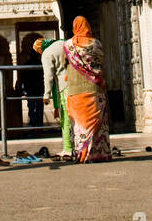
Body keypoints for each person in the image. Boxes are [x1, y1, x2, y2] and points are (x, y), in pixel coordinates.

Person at [63, 16, 111, 163]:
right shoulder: (96, 44)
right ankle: (99, 153)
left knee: (79, 123)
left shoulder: (68, 45)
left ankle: (82, 153)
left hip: (75, 89)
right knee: (97, 121)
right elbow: (101, 60)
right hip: (94, 87)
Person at [36, 35, 72, 157]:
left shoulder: (47, 53)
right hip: (79, 83)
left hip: (65, 86)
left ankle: (68, 148)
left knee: (66, 118)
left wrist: (46, 94)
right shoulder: (65, 43)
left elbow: (48, 76)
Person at [16, 34, 45, 128]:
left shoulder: (26, 65)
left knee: (31, 106)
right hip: (39, 88)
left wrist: (21, 87)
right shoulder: (40, 64)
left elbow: (22, 77)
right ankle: (39, 124)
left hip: (30, 89)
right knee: (39, 106)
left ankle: (33, 123)